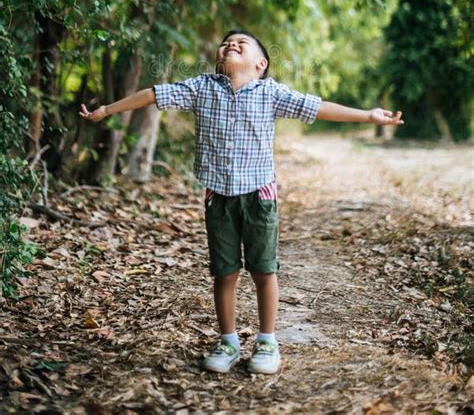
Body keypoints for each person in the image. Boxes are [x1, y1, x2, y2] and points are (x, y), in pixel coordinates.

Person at [79, 28, 404, 375]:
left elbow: (318, 107)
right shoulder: (200, 88)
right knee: (224, 272)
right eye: (226, 43)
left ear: (260, 64)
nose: (231, 44)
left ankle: (267, 340)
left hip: (259, 196)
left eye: (242, 43)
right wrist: (107, 110)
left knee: (264, 270)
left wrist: (368, 115)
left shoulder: (271, 93)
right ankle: (228, 340)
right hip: (218, 196)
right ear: (219, 59)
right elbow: (152, 94)